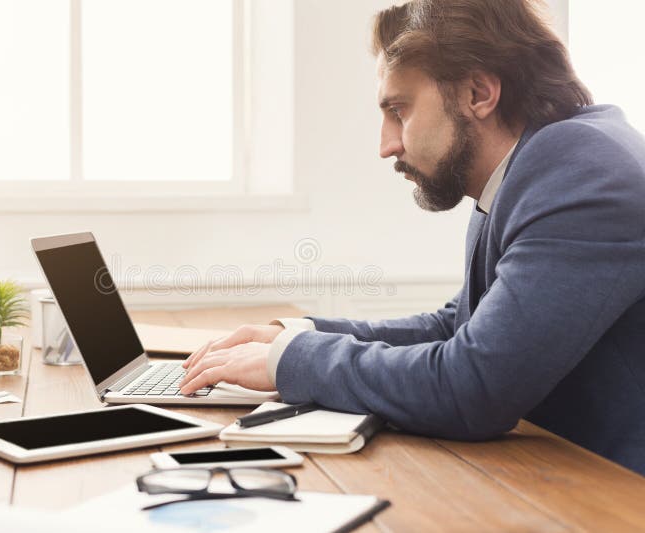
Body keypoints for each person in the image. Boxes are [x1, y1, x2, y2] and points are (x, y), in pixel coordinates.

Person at [180, 0, 645, 475]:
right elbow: (459, 325)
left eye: (398, 110)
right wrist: (299, 334)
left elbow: (473, 387)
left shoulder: (581, 172)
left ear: (478, 92)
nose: (387, 145)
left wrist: (289, 361)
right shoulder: (533, 168)